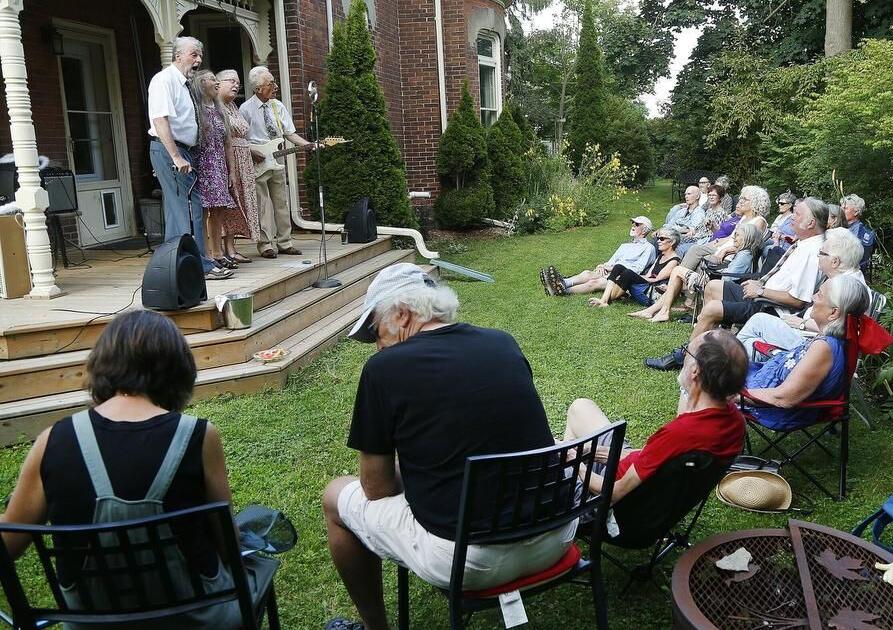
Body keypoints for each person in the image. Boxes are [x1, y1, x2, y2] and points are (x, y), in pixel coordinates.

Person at [323, 264, 575, 630]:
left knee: (335, 496)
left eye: (376, 332)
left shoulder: (383, 369)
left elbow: (376, 490)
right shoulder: (503, 341)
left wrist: (420, 471)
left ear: (402, 313)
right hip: (555, 534)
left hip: (467, 559)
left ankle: (375, 626)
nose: (376, 345)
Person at [0, 310, 275, 627]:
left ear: (102, 365)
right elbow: (228, 546)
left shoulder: (52, 441)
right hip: (196, 619)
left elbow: (8, 544)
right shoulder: (199, 436)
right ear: (178, 370)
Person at [563, 329, 748, 505]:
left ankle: (565, 497)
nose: (683, 357)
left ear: (695, 371)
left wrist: (576, 463)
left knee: (551, 454)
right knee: (580, 407)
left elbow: (614, 493)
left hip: (602, 503)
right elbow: (649, 457)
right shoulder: (735, 423)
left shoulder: (678, 435)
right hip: (646, 495)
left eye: (686, 352)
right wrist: (588, 452)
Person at [643, 196, 828, 370]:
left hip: (770, 308)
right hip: (763, 295)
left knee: (711, 309)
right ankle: (710, 348)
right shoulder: (804, 244)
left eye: (797, 214)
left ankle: (688, 358)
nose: (791, 218)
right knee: (713, 286)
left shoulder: (812, 253)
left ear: (811, 223)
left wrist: (761, 291)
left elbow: (798, 301)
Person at [742, 274, 871, 430]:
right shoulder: (835, 339)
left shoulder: (824, 348)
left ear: (834, 313)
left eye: (819, 295)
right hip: (760, 381)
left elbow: (783, 398)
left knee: (709, 369)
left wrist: (738, 395)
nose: (812, 297)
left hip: (770, 407)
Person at [628, 186, 772, 323]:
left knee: (693, 254)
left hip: (727, 260)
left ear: (755, 203)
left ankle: (674, 297)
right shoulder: (744, 218)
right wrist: (715, 243)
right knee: (697, 250)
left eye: (744, 199)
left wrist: (725, 250)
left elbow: (749, 245)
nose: (739, 201)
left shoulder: (759, 221)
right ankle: (676, 299)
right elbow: (730, 239)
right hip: (720, 253)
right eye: (740, 198)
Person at [146, 37, 227, 279]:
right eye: (194, 54)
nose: (198, 60)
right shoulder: (164, 80)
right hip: (172, 150)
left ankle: (182, 265)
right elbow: (160, 120)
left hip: (185, 150)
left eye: (200, 55)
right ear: (178, 55)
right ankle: (196, 266)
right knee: (186, 208)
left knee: (185, 208)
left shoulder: (185, 84)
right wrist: (174, 156)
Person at [736, 226, 866, 358]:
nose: (817, 256)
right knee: (751, 340)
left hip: (812, 344)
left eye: (821, 253)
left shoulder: (847, 288)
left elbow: (844, 329)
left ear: (835, 261)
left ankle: (728, 362)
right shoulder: (847, 278)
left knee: (757, 325)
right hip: (809, 336)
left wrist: (803, 324)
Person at [240, 66, 312, 259]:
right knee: (261, 204)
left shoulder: (277, 106)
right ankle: (265, 245)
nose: (275, 86)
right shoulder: (245, 109)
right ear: (257, 88)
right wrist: (251, 152)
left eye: (274, 82)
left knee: (281, 201)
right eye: (270, 83)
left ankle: (285, 242)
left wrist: (308, 145)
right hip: (257, 159)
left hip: (277, 156)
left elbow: (289, 133)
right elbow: (239, 138)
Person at [191, 70, 244, 276]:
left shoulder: (219, 109)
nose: (215, 82)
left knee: (219, 210)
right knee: (204, 211)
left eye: (216, 78)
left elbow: (228, 143)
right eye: (212, 79)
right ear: (200, 83)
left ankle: (217, 253)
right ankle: (206, 255)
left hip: (219, 165)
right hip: (203, 165)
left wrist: (231, 171)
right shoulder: (196, 109)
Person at [541, 216, 656, 296]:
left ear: (644, 229)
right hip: (611, 271)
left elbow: (637, 269)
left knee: (594, 282)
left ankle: (563, 290)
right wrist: (603, 266)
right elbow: (611, 261)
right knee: (588, 273)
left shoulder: (648, 248)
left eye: (636, 224)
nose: (633, 225)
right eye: (632, 223)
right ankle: (562, 282)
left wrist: (610, 269)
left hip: (624, 278)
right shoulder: (625, 245)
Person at [216, 69, 256, 265]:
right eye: (231, 81)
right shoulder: (216, 107)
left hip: (243, 160)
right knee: (229, 204)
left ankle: (232, 247)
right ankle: (223, 250)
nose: (235, 85)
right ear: (218, 83)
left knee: (239, 205)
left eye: (238, 82)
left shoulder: (233, 106)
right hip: (226, 160)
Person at [590, 227, 681, 307]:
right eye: (658, 238)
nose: (658, 241)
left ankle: (606, 300)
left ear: (672, 242)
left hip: (653, 295)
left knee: (628, 273)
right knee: (618, 267)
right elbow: (649, 275)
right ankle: (604, 299)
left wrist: (631, 275)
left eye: (662, 239)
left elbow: (655, 280)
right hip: (646, 287)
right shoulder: (661, 256)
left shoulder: (674, 261)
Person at [840, 194, 877, 273]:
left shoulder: (863, 233)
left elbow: (861, 262)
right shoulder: (840, 228)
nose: (841, 210)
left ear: (856, 212)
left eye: (845, 208)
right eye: (841, 207)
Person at [665, 186, 707, 250]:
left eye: (689, 194)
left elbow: (693, 231)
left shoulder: (699, 213)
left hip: (679, 238)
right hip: (670, 234)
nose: (686, 196)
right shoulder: (682, 211)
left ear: (697, 197)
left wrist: (674, 229)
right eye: (685, 194)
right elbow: (670, 223)